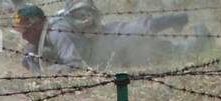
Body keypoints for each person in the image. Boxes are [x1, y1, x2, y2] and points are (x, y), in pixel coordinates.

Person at [12, 2, 203, 74]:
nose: (24, 35)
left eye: (26, 31)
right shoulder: (39, 36)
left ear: (37, 25)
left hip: (114, 47)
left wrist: (48, 71)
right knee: (140, 28)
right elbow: (31, 52)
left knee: (156, 44)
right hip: (106, 38)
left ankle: (200, 41)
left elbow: (75, 65)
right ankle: (177, 20)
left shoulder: (57, 33)